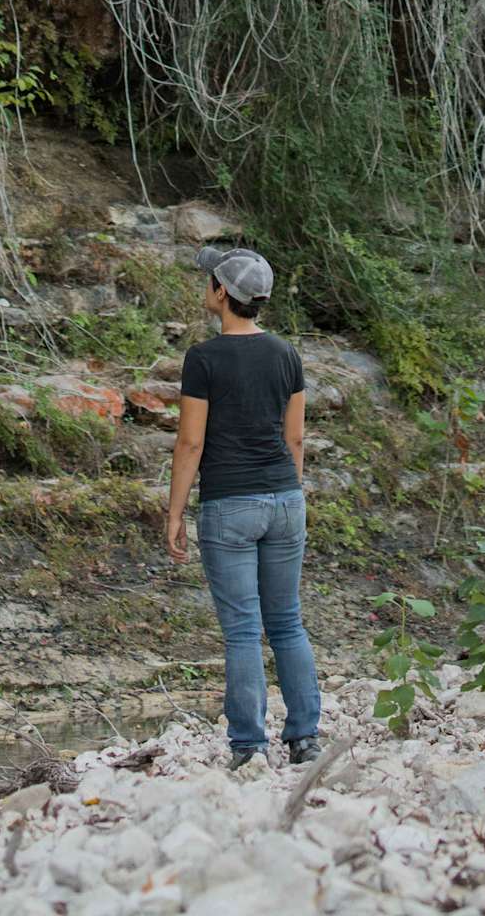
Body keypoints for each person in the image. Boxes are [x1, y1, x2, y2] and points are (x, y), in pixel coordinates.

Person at [163, 242, 323, 766]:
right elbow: (294, 439)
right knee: (287, 622)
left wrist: (174, 513)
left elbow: (191, 443)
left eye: (209, 280)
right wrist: (285, 494)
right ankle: (304, 737)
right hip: (284, 499)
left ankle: (249, 746)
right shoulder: (286, 354)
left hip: (229, 505)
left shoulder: (204, 359)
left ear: (222, 293)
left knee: (241, 630)